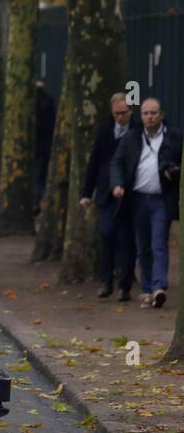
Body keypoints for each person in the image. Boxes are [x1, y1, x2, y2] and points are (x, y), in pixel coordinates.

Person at [110, 97, 183, 309]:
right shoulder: (132, 138)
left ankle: (159, 286)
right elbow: (117, 162)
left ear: (161, 115)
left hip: (161, 199)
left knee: (159, 242)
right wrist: (117, 184)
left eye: (153, 113)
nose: (149, 117)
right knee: (143, 247)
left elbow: (179, 163)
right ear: (141, 116)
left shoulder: (175, 137)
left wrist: (173, 172)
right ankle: (147, 288)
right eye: (145, 113)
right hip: (137, 199)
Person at [80, 92, 137, 302]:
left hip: (129, 194)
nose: (120, 117)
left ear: (131, 111)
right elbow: (94, 162)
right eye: (116, 114)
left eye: (124, 113)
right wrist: (87, 193)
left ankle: (125, 285)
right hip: (105, 192)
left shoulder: (137, 131)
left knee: (126, 240)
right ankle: (106, 282)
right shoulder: (104, 131)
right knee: (106, 234)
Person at [33, 80, 57, 215]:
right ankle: (37, 201)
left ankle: (36, 201)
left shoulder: (37, 104)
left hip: (39, 146)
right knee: (40, 176)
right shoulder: (48, 103)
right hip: (44, 146)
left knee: (38, 176)